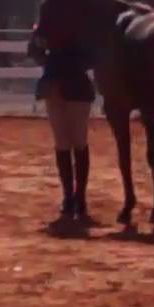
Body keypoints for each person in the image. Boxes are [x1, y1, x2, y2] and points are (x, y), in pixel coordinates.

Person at [30, 34, 97, 221]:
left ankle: (80, 196)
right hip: (54, 89)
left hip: (77, 90)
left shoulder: (81, 28)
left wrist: (65, 65)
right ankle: (69, 197)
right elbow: (33, 49)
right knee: (62, 143)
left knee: (79, 142)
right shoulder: (47, 26)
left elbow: (92, 57)